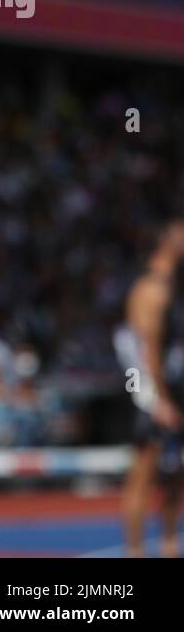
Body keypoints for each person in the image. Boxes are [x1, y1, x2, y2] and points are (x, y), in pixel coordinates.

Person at [117, 220, 184, 557]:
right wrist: (158, 399)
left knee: (175, 473)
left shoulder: (172, 287)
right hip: (151, 392)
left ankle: (170, 543)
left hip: (170, 388)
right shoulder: (152, 289)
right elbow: (147, 348)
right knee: (144, 473)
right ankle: (136, 551)